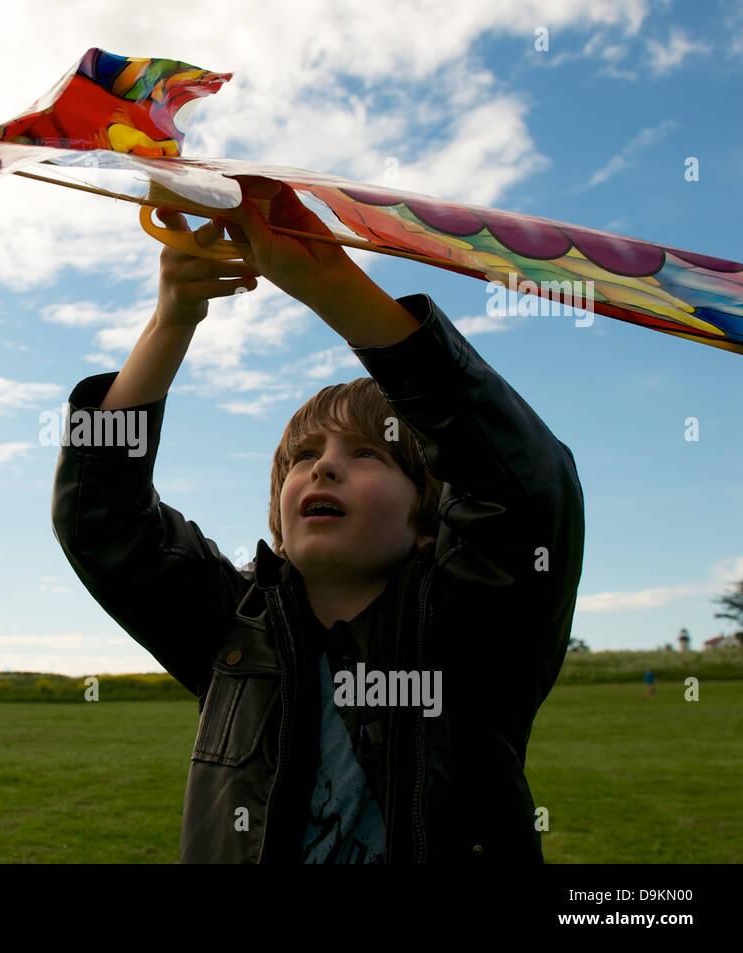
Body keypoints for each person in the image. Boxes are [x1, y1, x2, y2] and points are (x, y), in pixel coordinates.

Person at [50, 176, 585, 863]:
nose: (322, 468)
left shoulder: (474, 619)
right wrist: (171, 322)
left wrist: (327, 279)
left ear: (431, 514)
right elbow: (103, 522)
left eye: (366, 454)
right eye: (304, 455)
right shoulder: (230, 628)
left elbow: (525, 485)